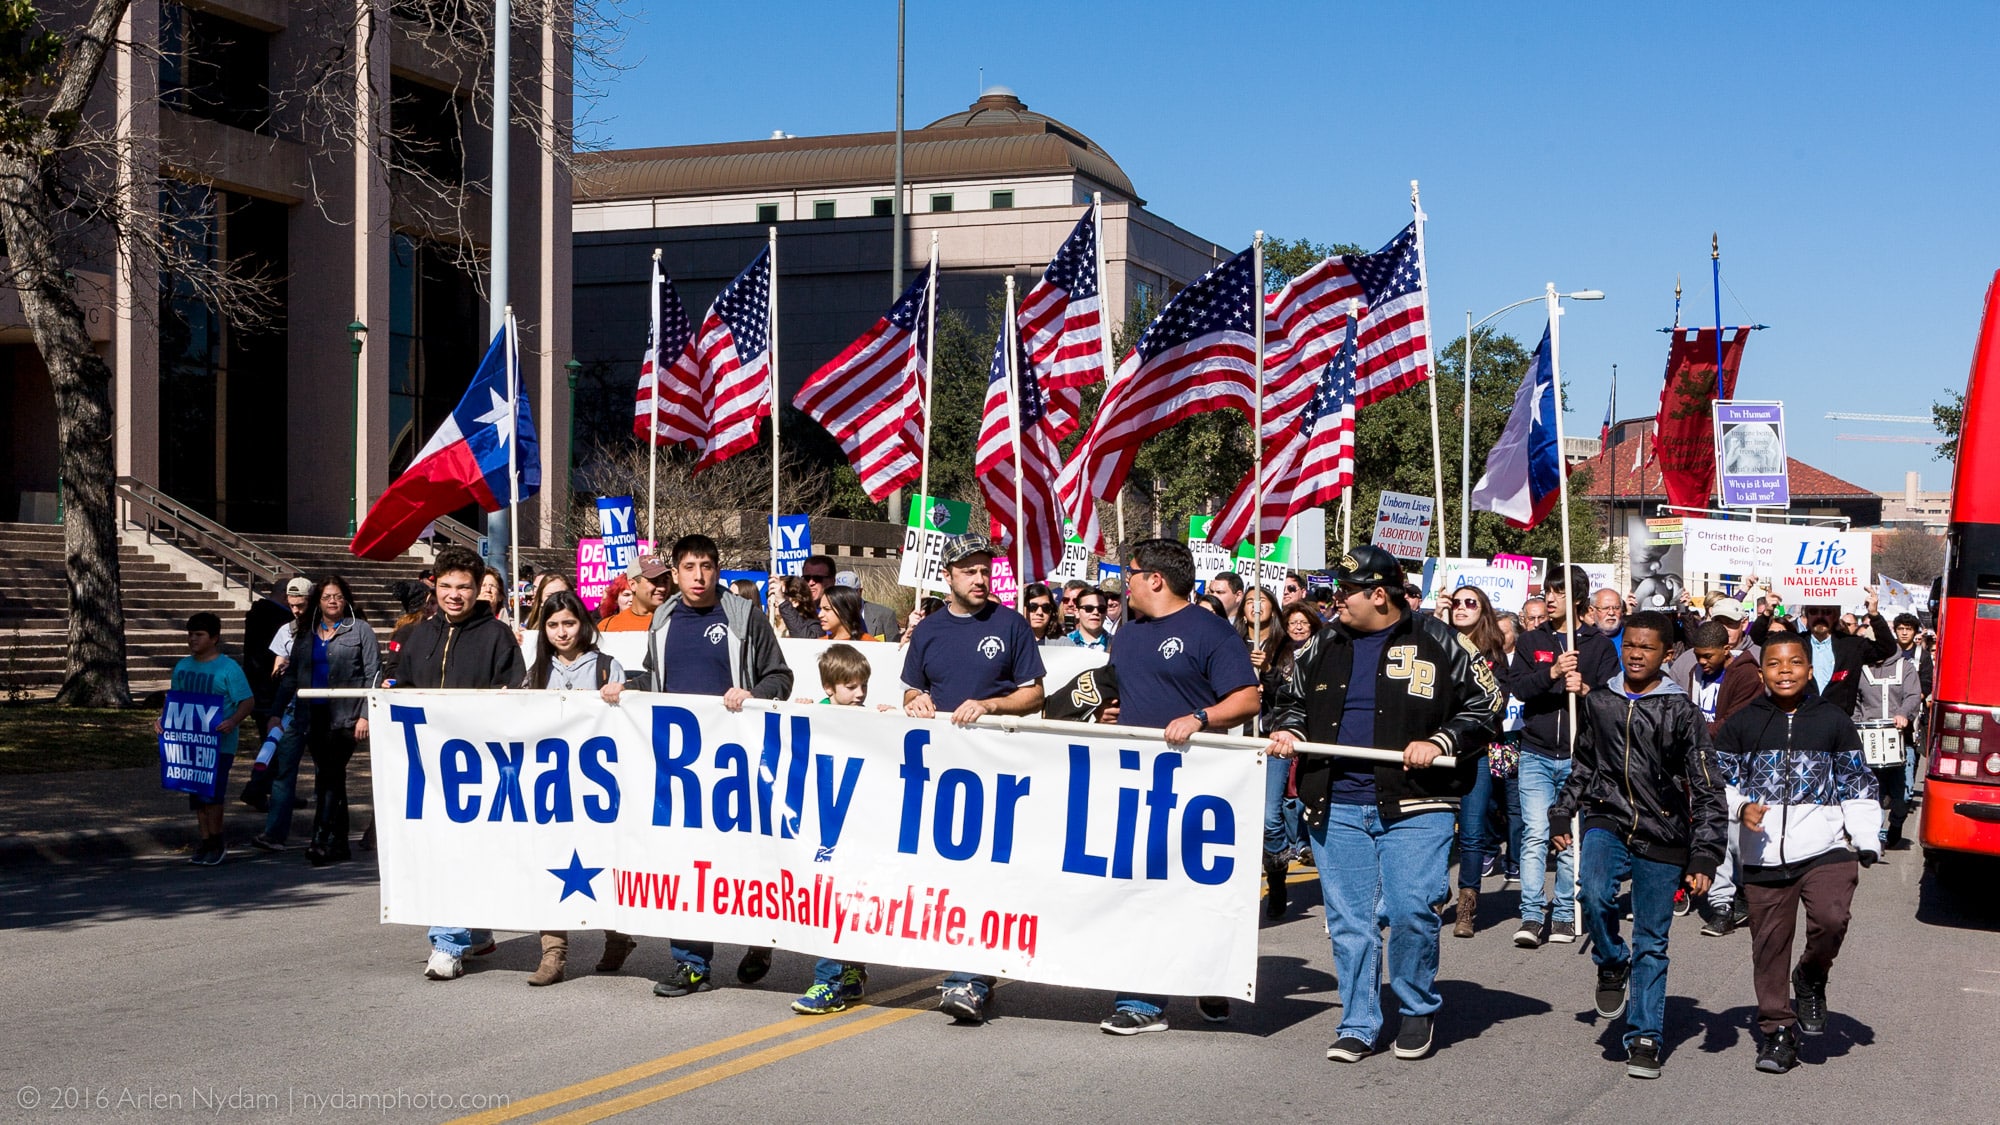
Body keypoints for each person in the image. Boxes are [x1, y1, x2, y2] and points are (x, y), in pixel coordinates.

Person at [1266, 545, 1500, 1062]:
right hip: (1336, 803)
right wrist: (1288, 730)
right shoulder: (1323, 642)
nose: (1336, 601)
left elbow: (1488, 704)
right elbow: (1287, 700)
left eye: (1346, 592)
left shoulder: (1442, 639)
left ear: (1378, 594)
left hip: (1418, 803)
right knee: (1350, 921)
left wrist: (1442, 740)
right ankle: (1358, 1021)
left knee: (1414, 908)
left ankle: (1417, 1006)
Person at [605, 533, 794, 999]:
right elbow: (658, 678)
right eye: (689, 567)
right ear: (674, 572)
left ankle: (761, 940)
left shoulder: (744, 617)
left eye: (707, 566)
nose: (699, 575)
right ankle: (691, 964)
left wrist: (754, 694)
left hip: (738, 763)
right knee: (685, 863)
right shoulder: (663, 618)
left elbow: (780, 677)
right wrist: (627, 685)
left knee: (749, 861)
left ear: (717, 569)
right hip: (682, 767)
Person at [1550, 611, 1727, 1080]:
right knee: (1592, 891)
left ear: (1668, 655)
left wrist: (1706, 852)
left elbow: (1707, 786)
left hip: (1664, 832)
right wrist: (1561, 809)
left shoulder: (1681, 711)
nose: (1634, 654)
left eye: (1647, 648)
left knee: (1652, 939)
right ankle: (1610, 961)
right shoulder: (1602, 700)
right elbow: (1585, 763)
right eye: (1629, 645)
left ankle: (1644, 1034)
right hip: (1607, 818)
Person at [1098, 539, 1262, 1034]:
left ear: (1155, 579)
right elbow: (1121, 695)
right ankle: (1141, 1000)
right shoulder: (1126, 635)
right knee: (1139, 887)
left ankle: (1211, 974)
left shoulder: (1209, 631)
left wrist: (1199, 717)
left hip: (1201, 782)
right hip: (1135, 779)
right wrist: (1110, 715)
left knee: (1194, 889)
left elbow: (1248, 698)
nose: (1123, 584)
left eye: (1130, 574)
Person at [1712, 631, 1881, 1074]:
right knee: (1769, 947)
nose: (1784, 671)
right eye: (1774, 663)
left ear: (1810, 670)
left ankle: (1810, 976)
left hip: (1825, 844)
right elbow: (1716, 783)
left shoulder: (1833, 720)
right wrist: (1741, 806)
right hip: (1763, 853)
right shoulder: (1744, 722)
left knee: (1831, 917)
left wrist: (1865, 836)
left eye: (1793, 663)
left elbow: (1857, 782)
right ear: (1761, 670)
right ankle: (1776, 1034)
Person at [901, 533, 1046, 1025]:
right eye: (969, 570)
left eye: (985, 570)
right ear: (948, 576)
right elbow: (911, 691)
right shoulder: (929, 630)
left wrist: (990, 704)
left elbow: (1034, 695)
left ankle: (973, 979)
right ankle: (959, 968)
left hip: (998, 770)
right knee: (944, 874)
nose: (981, 578)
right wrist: (914, 702)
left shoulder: (1010, 624)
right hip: (940, 771)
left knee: (986, 874)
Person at [397, 548, 526, 981]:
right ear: (436, 585)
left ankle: (448, 942)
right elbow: (402, 686)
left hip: (479, 767)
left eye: (464, 588)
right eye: (447, 586)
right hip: (427, 766)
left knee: (459, 851)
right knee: (444, 851)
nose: (455, 595)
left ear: (477, 590)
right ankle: (477, 933)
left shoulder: (497, 636)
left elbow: (515, 696)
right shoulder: (419, 635)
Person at [522, 590, 638, 985]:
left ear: (583, 624)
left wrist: (622, 695)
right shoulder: (538, 671)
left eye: (568, 623)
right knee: (549, 863)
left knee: (605, 862)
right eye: (552, 625)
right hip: (553, 787)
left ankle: (618, 937)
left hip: (602, 788)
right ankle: (553, 954)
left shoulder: (607, 666)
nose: (561, 632)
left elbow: (631, 719)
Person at [1501, 565, 1619, 948]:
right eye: (1547, 591)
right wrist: (1550, 673)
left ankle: (1566, 913)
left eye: (1559, 592)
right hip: (1535, 752)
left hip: (1579, 757)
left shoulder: (1598, 646)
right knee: (1535, 834)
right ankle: (1532, 914)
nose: (1550, 598)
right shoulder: (1531, 640)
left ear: (1579, 598)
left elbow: (1612, 700)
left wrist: (1584, 688)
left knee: (1567, 836)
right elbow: (1517, 688)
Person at [790, 643, 877, 1015]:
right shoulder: (816, 713)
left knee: (850, 902)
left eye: (863, 687)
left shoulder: (871, 717)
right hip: (823, 829)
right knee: (829, 902)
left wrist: (889, 721)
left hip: (858, 828)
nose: (859, 695)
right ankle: (831, 981)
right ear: (830, 688)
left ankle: (847, 974)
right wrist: (799, 712)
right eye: (851, 687)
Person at [281, 576, 380, 866]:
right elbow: (292, 675)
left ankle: (320, 839)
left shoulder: (360, 630)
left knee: (330, 774)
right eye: (327, 597)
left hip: (347, 717)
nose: (333, 601)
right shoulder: (307, 633)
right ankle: (339, 843)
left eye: (337, 596)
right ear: (318, 602)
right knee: (330, 777)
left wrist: (366, 715)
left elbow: (374, 673)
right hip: (313, 717)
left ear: (346, 599)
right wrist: (277, 712)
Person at [160, 612, 255, 866]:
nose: (193, 639)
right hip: (190, 743)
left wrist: (233, 721)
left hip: (219, 745)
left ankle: (217, 841)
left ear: (214, 638)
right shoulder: (182, 667)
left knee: (212, 795)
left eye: (199, 635)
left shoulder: (228, 668)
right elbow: (175, 700)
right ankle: (204, 840)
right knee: (196, 794)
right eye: (190, 634)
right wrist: (163, 720)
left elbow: (247, 701)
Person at [1445, 586, 1508, 939]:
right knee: (1437, 831)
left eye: (1471, 603)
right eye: (1456, 603)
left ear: (1482, 610)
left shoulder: (1493, 657)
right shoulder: (1436, 644)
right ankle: (1437, 893)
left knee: (1471, 833)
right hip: (1437, 752)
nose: (1462, 608)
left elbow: (1495, 702)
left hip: (1476, 751)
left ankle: (1467, 905)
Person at [1242, 585, 1301, 920]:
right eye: (1249, 601)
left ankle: (1277, 874)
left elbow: (1292, 696)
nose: (1255, 606)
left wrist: (1268, 672)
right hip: (1237, 737)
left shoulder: (1286, 648)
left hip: (1273, 737)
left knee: (1268, 814)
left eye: (1262, 600)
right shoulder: (1233, 641)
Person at [1855, 627, 1922, 851]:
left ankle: (1896, 824)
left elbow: (1913, 695)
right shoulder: (1862, 669)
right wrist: (1856, 722)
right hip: (1870, 740)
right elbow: (1854, 701)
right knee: (1875, 791)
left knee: (1904, 793)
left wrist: (1904, 713)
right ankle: (1878, 834)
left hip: (1902, 740)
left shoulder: (1905, 667)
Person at [1800, 591, 1895, 717]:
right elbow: (1765, 642)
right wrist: (1767, 613)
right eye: (1814, 612)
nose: (1820, 617)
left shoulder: (1852, 645)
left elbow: (1887, 648)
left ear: (1835, 615)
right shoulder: (1795, 643)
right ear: (1806, 616)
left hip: (1839, 720)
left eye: (1826, 612)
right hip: (1802, 719)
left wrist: (1874, 615)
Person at [601, 555, 670, 632]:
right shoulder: (607, 627)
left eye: (665, 581)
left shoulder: (677, 622)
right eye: (654, 581)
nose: (662, 588)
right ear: (633, 585)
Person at [780, 555, 836, 638]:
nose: (811, 583)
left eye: (817, 578)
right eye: (806, 578)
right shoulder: (793, 610)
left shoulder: (842, 611)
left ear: (832, 581)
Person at [837, 569, 902, 641]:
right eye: (838, 594)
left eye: (847, 593)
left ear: (860, 592)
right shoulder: (828, 616)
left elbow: (893, 647)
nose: (843, 598)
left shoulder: (885, 616)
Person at [1592, 589, 1626, 658]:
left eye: (1616, 608)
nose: (1611, 613)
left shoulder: (1631, 638)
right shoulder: (1583, 639)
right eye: (1605, 608)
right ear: (1591, 611)